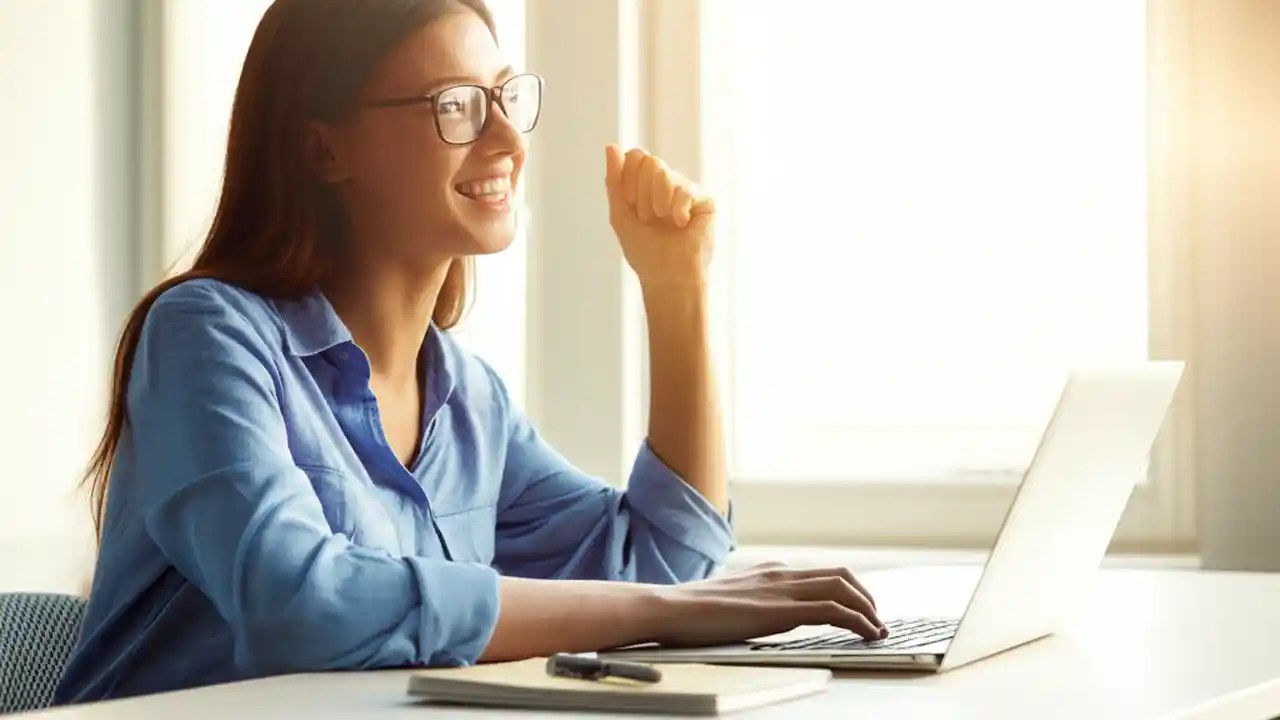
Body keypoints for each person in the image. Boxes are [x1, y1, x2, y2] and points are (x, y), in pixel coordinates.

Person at [55, 0, 885, 705]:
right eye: (455, 104)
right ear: (324, 149)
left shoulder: (465, 396)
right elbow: (300, 605)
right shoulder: (208, 335)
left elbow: (660, 557)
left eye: (505, 97)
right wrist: (673, 611)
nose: (506, 140)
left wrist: (679, 290)